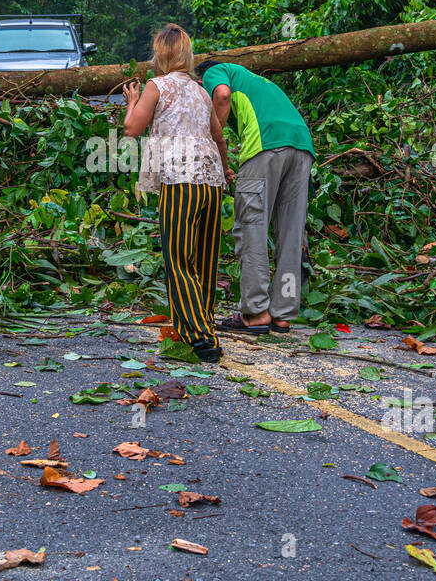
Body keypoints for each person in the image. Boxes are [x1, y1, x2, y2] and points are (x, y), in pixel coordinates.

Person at [123, 25, 229, 365]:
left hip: (181, 182)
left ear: (160, 54)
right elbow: (218, 135)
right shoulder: (200, 91)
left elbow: (131, 129)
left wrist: (133, 102)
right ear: (187, 54)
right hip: (211, 182)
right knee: (205, 260)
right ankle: (200, 325)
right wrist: (225, 169)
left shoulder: (156, 86)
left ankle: (202, 339)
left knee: (178, 259)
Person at [195, 59, 314, 337]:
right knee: (291, 234)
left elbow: (221, 94)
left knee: (252, 228)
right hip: (301, 146)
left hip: (266, 146)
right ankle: (283, 314)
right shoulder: (257, 82)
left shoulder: (215, 72)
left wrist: (214, 136)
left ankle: (256, 311)